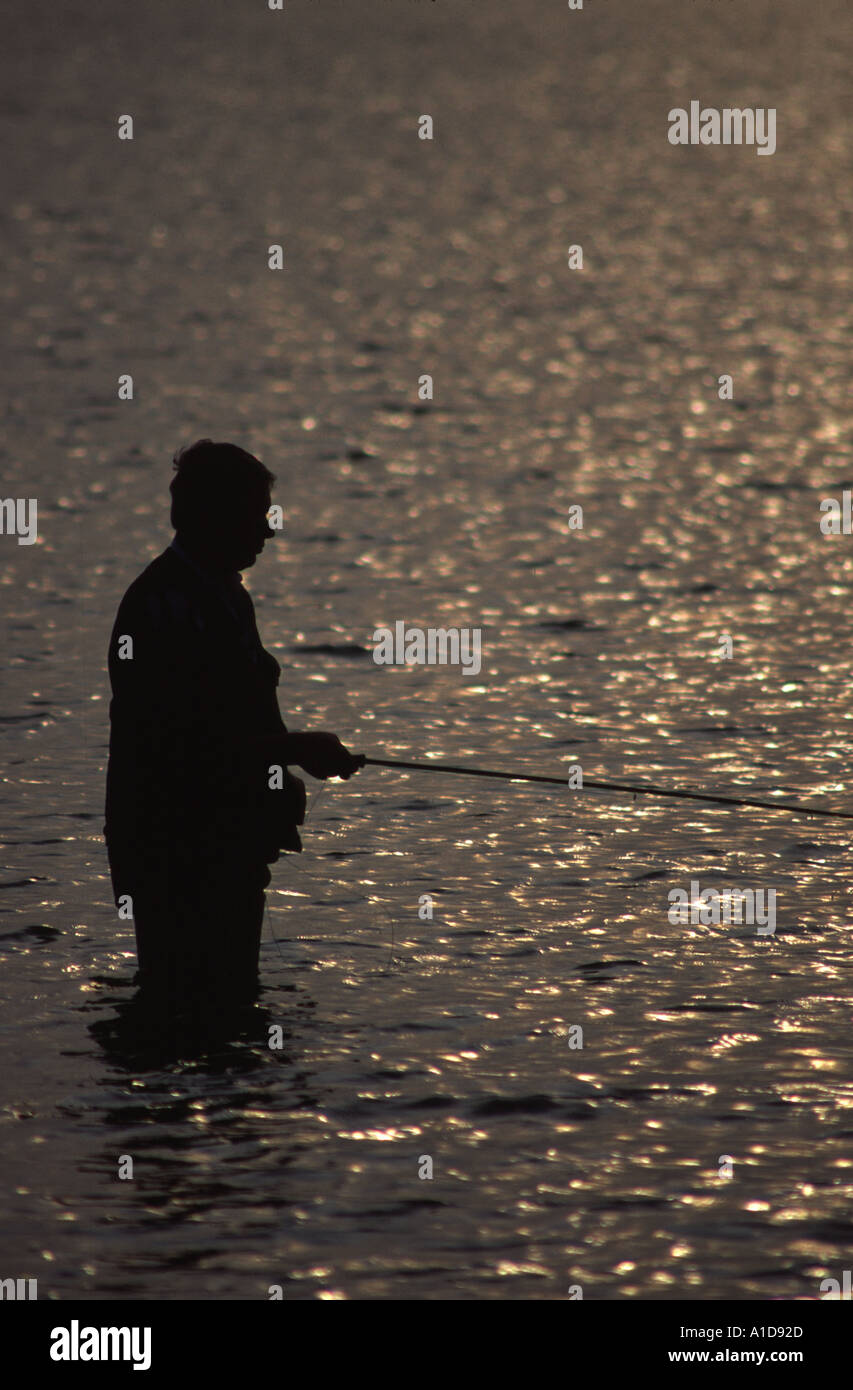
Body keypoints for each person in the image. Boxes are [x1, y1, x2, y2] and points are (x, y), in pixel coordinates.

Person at [104, 439, 363, 1010]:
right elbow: (183, 746)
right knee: (190, 1003)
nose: (268, 532)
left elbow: (236, 716)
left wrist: (286, 768)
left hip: (229, 842)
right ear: (212, 517)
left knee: (226, 1012)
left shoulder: (224, 594)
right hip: (177, 849)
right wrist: (296, 749)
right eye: (256, 517)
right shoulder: (162, 605)